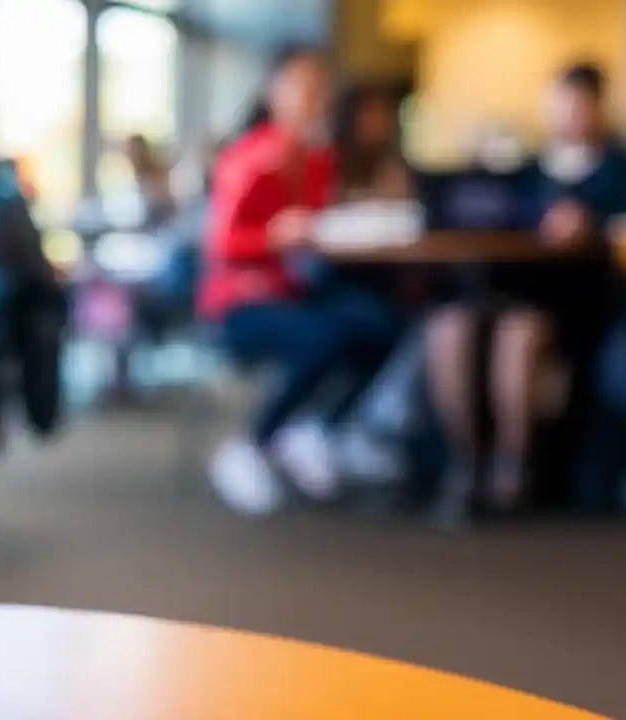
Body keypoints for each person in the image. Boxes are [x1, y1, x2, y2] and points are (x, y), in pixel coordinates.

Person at [425, 62, 626, 517]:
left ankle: (513, 466)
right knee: (448, 328)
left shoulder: (619, 169)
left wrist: (588, 223)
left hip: (571, 298)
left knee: (518, 336)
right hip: (507, 285)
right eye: (564, 103)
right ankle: (465, 463)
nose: (572, 114)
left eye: (581, 104)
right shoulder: (525, 169)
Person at [201, 48, 396, 515]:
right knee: (322, 337)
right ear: (275, 92)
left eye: (321, 88)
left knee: (380, 324)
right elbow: (222, 245)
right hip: (239, 304)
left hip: (296, 292)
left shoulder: (319, 159)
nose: (315, 98)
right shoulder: (249, 156)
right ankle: (252, 443)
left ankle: (315, 428)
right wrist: (273, 236)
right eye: (304, 87)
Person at [335, 83, 411, 201]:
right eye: (370, 114)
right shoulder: (335, 162)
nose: (377, 122)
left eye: (382, 114)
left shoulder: (394, 166)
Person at [124, 133, 175, 229]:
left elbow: (162, 201)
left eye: (135, 151)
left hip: (161, 222)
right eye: (129, 152)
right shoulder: (138, 174)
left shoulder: (156, 173)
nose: (132, 157)